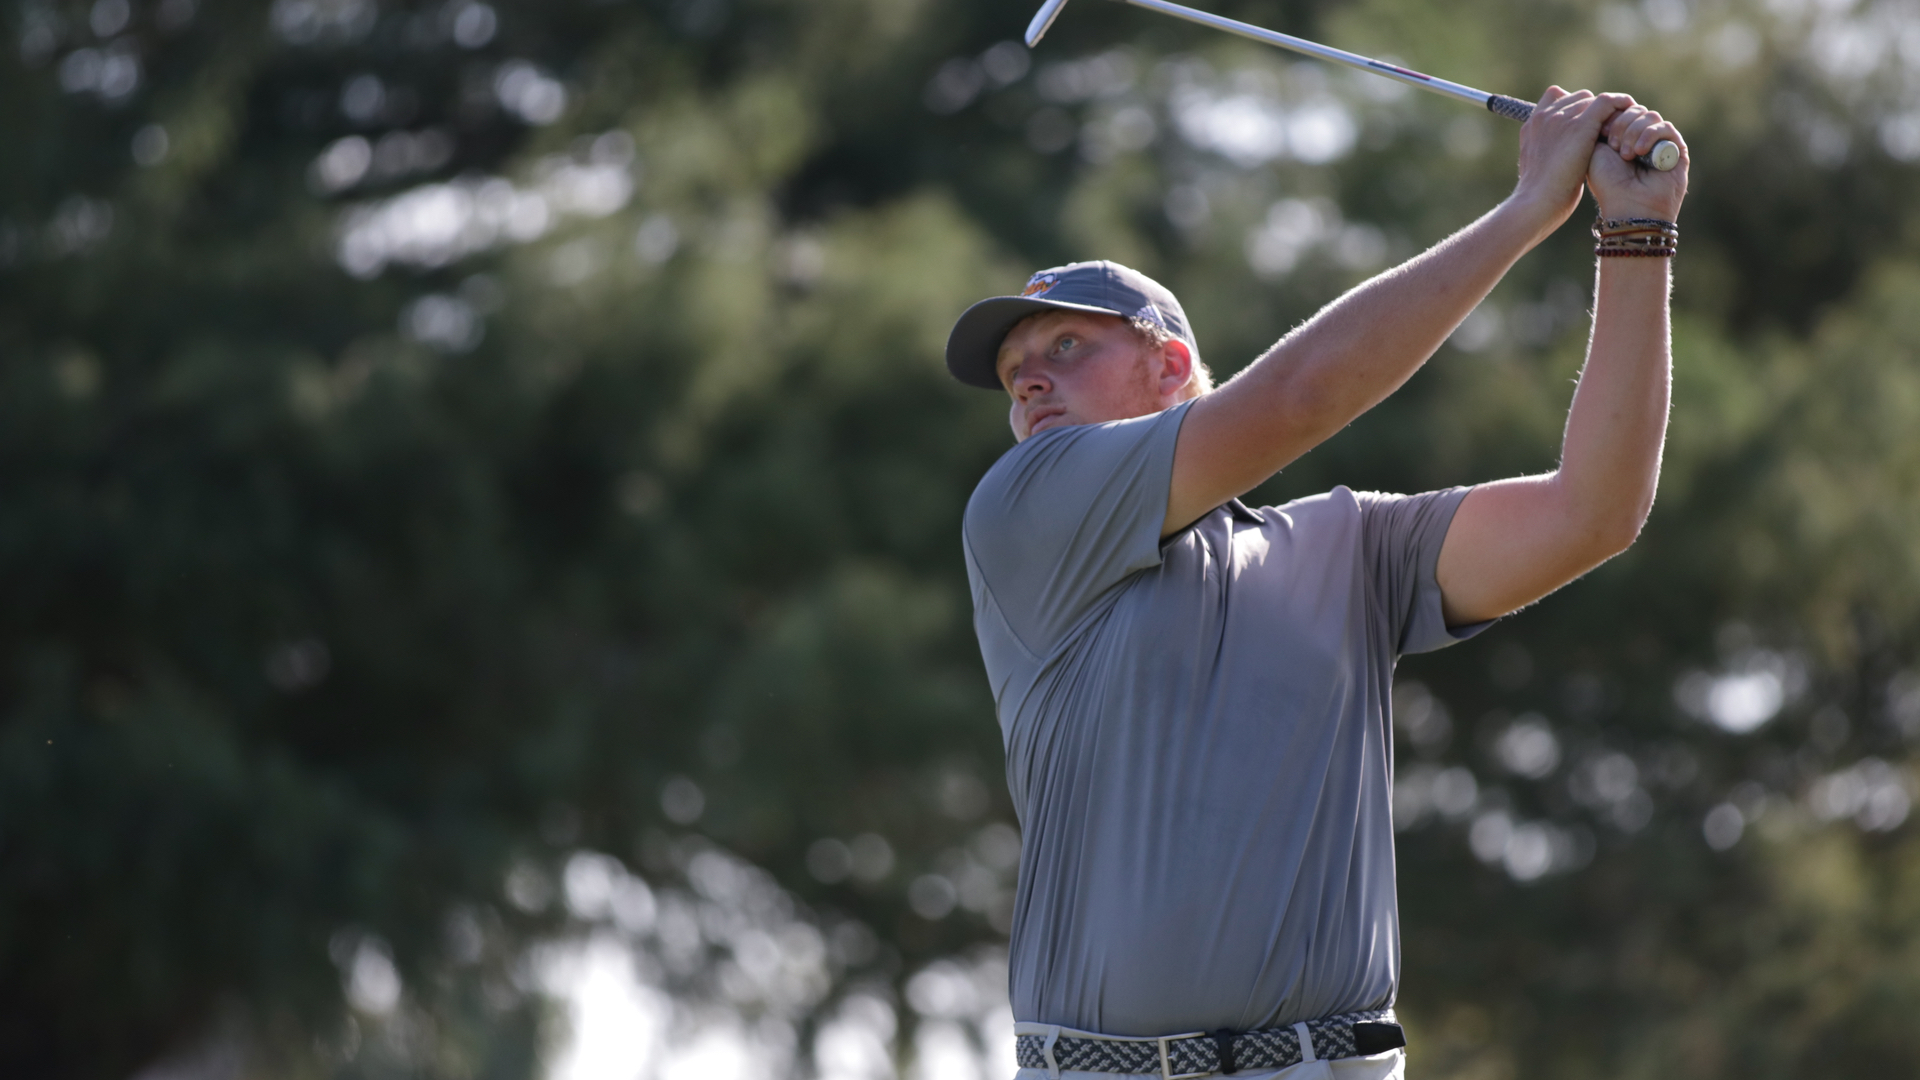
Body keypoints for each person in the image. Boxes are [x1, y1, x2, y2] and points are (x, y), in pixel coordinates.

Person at [945, 88, 1688, 1080]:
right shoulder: (1025, 507)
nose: (1030, 380)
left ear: (1171, 366)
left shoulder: (1350, 546)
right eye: (1014, 374)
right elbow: (1298, 398)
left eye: (1066, 346)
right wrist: (1525, 212)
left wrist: (1635, 236)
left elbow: (1593, 513)